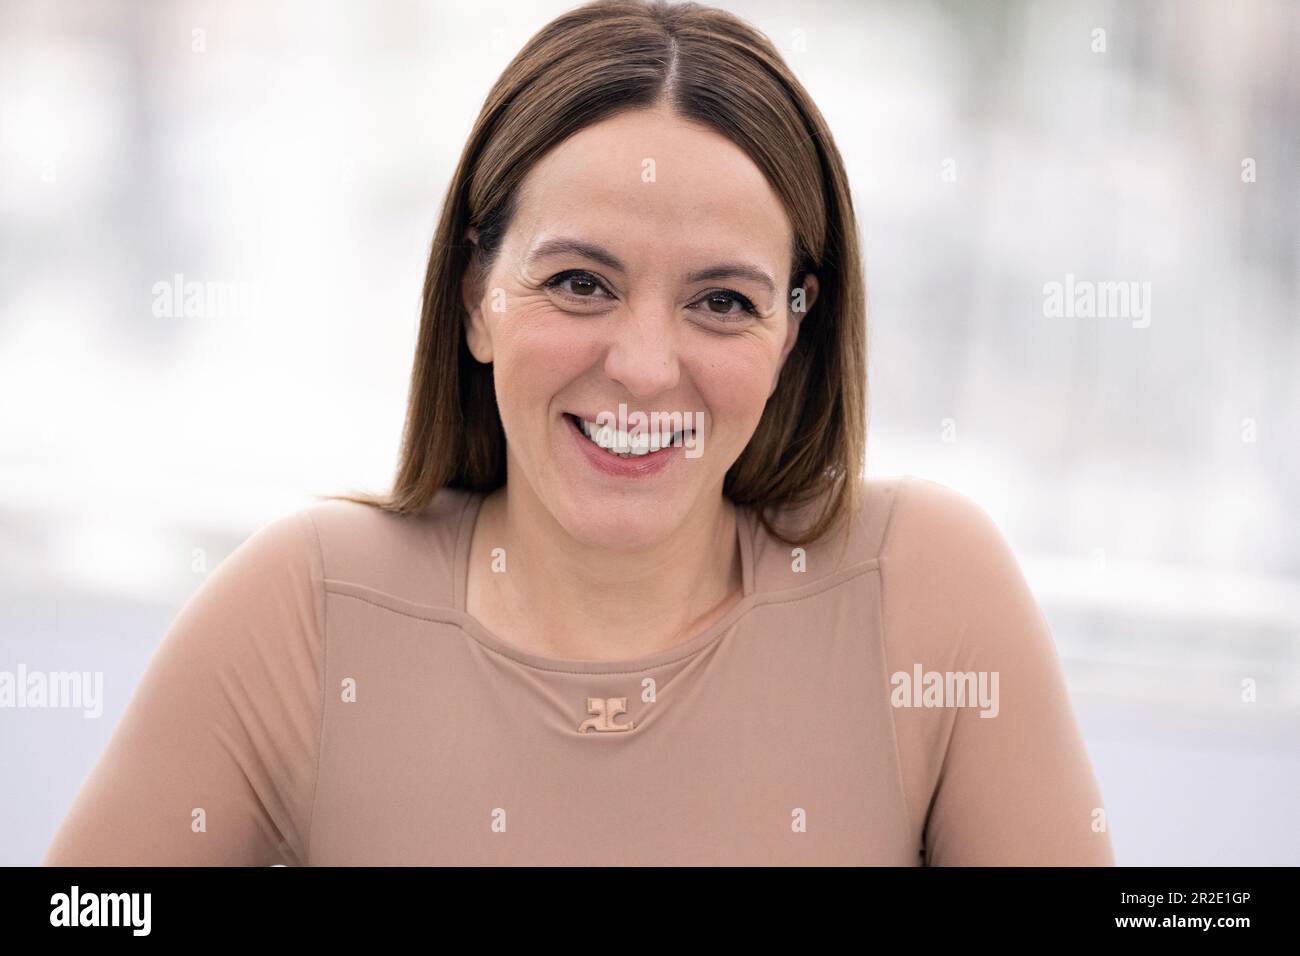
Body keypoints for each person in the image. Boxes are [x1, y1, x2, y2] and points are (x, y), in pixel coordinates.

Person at [42, 0, 1114, 865]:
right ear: (474, 295)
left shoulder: (922, 589)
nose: (644, 365)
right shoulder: (309, 605)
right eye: (578, 281)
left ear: (796, 329)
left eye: (723, 301)